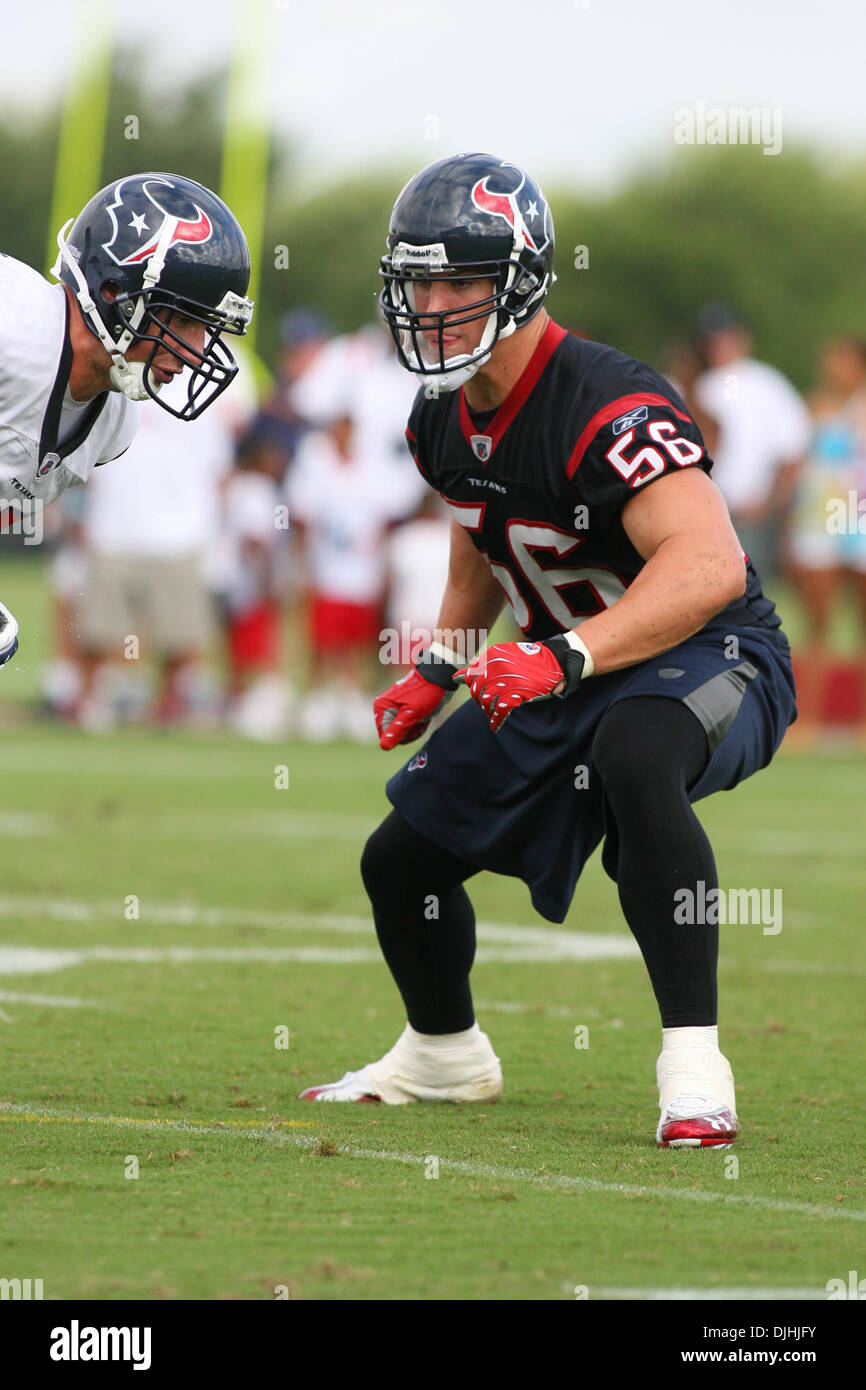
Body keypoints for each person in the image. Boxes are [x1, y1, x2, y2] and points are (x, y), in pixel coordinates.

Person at [299, 152, 798, 1149]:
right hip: (571, 662)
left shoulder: (605, 400)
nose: (429, 304)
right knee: (401, 859)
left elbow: (707, 562)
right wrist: (438, 668)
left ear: (518, 281)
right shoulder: (439, 411)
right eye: (417, 281)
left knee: (634, 755)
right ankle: (443, 1051)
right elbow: (482, 544)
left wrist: (564, 656)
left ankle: (692, 1062)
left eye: (455, 282)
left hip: (710, 652)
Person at [0, 171, 254, 663]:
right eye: (181, 320)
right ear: (113, 290)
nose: (198, 353)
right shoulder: (15, 322)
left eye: (207, 329)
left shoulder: (112, 427)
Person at [783, 335, 866, 743]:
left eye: (842, 359)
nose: (833, 367)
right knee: (817, 624)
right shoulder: (815, 406)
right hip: (819, 522)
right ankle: (808, 720)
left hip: (860, 519)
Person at [692, 303, 810, 585]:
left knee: (751, 588)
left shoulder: (766, 383)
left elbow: (793, 449)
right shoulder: (701, 386)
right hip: (709, 508)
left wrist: (772, 501)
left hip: (756, 509)